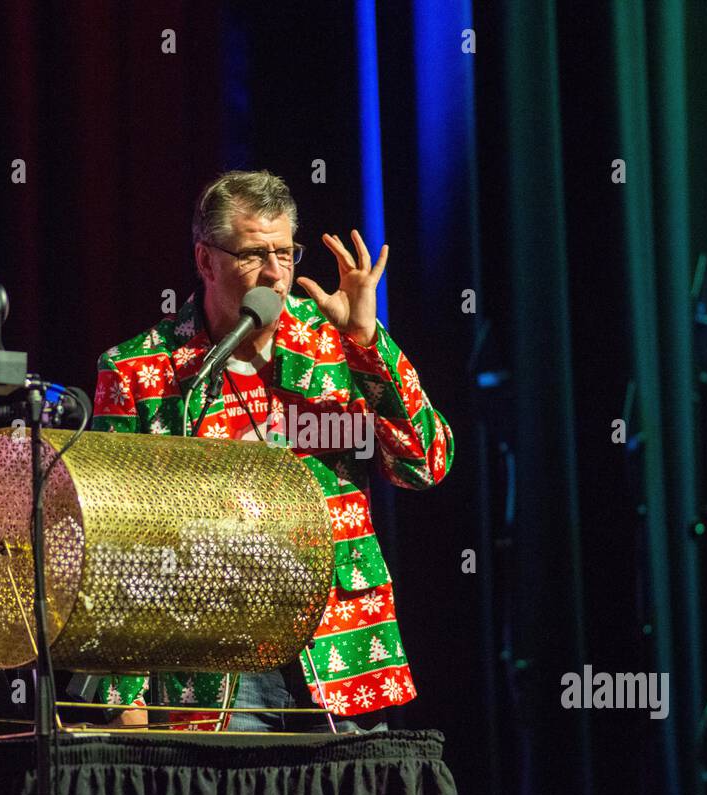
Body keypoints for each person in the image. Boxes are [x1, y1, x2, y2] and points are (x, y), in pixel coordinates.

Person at [91, 169, 453, 732]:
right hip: (212, 662)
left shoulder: (337, 343)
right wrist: (124, 695)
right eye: (253, 254)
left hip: (334, 650)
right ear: (206, 260)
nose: (276, 274)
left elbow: (425, 465)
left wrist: (367, 343)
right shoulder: (140, 371)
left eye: (285, 253)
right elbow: (114, 545)